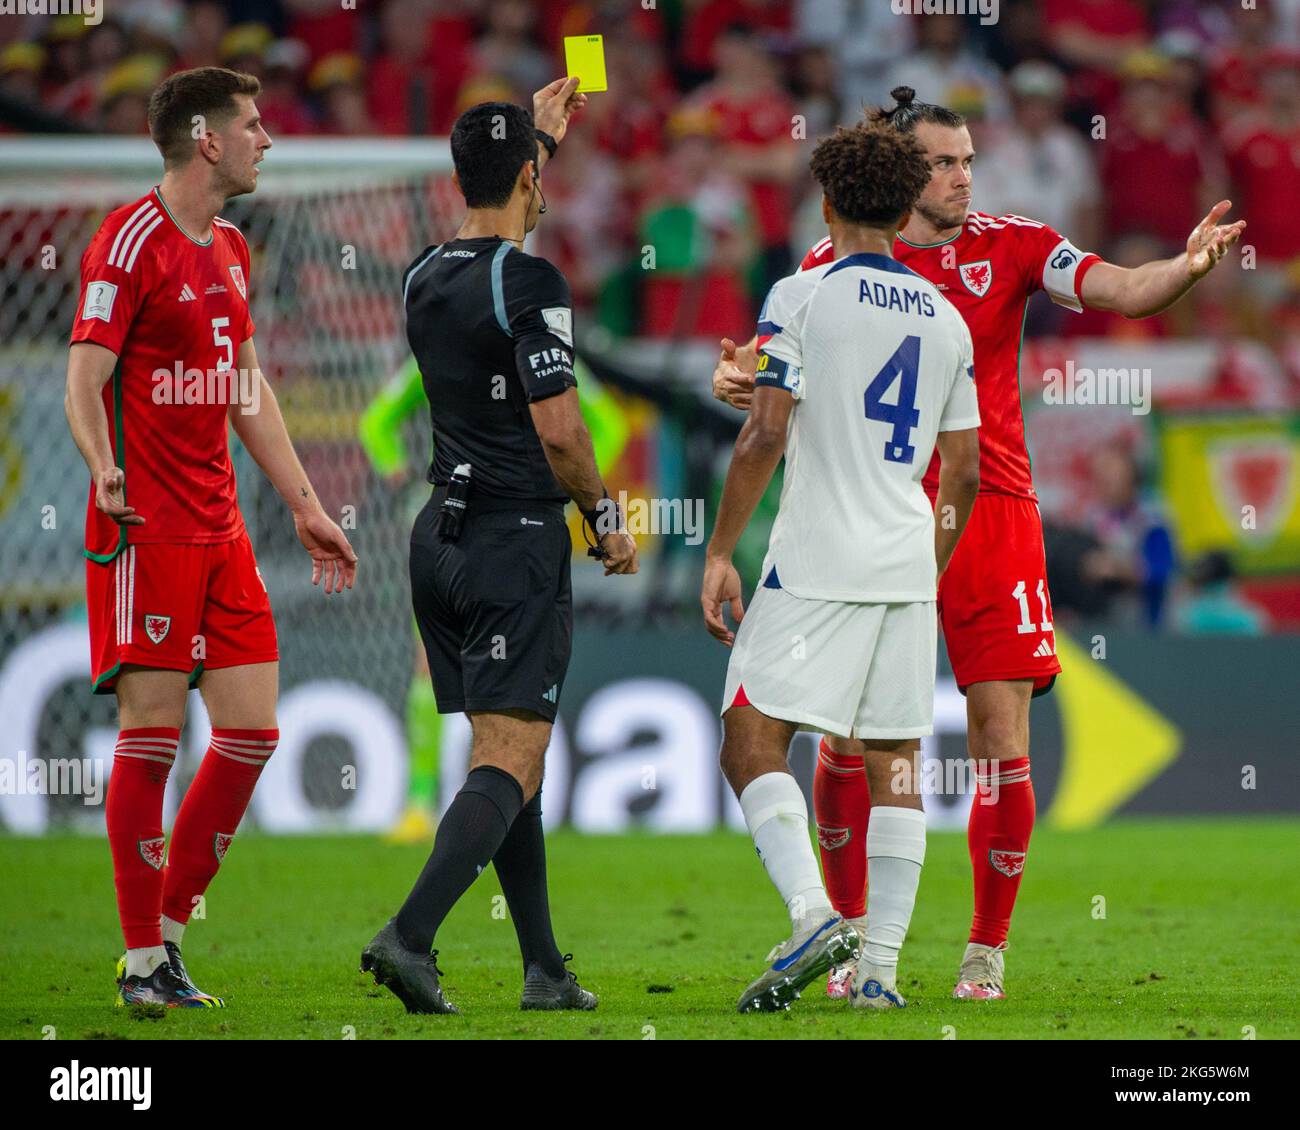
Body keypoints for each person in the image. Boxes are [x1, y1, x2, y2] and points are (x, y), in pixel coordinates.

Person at [713, 86, 1245, 1001]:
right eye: (946, 163)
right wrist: (752, 382)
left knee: (999, 734)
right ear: (902, 174)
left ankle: (983, 952)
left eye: (969, 160)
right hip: (883, 511)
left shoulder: (1013, 245)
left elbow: (1120, 288)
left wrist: (1185, 268)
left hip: (989, 510)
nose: (965, 177)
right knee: (856, 744)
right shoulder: (824, 263)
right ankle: (854, 958)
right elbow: (783, 389)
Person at [64, 67, 358, 1008]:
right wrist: (101, 466)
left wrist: (305, 500)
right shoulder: (128, 240)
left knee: (249, 736)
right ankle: (140, 958)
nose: (267, 139)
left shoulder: (231, 247)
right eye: (254, 125)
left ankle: (172, 936)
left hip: (223, 529)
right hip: (144, 527)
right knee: (151, 733)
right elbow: (84, 374)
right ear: (207, 140)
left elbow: (247, 387)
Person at [361, 79, 639, 1015]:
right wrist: (602, 515)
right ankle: (409, 936)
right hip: (514, 540)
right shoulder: (532, 281)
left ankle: (545, 970)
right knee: (511, 760)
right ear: (529, 176)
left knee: (510, 752)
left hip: (437, 536)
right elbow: (562, 431)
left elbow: (496, 224)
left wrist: (535, 143)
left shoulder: (421, 272)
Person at [701, 120, 981, 1014]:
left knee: (750, 734)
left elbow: (768, 430)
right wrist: (924, 561)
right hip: (905, 557)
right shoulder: (946, 317)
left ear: (824, 205)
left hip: (818, 555)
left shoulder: (800, 293)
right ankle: (881, 977)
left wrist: (716, 550)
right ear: (906, 210)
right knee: (898, 756)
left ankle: (814, 912)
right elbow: (965, 470)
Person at [358, 353, 630, 844]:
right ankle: (427, 801)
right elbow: (377, 421)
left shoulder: (546, 355)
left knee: (509, 668)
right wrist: (395, 468)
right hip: (454, 529)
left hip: (516, 534)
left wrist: (575, 488)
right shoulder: (449, 349)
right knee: (434, 665)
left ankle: (494, 799)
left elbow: (610, 425)